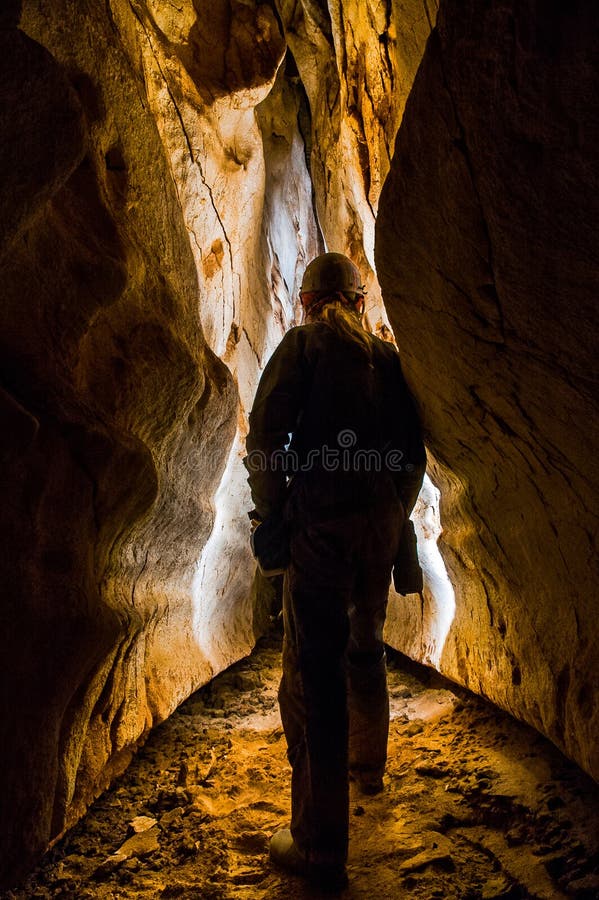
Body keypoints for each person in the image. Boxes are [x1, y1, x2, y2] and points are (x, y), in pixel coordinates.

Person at [244, 252, 426, 892]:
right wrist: (392, 516)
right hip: (379, 525)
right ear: (359, 302)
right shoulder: (386, 360)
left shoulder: (303, 348)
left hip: (321, 524)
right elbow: (411, 454)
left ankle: (320, 845)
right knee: (366, 645)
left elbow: (266, 437)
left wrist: (274, 514)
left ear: (307, 303)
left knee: (313, 671)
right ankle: (367, 769)